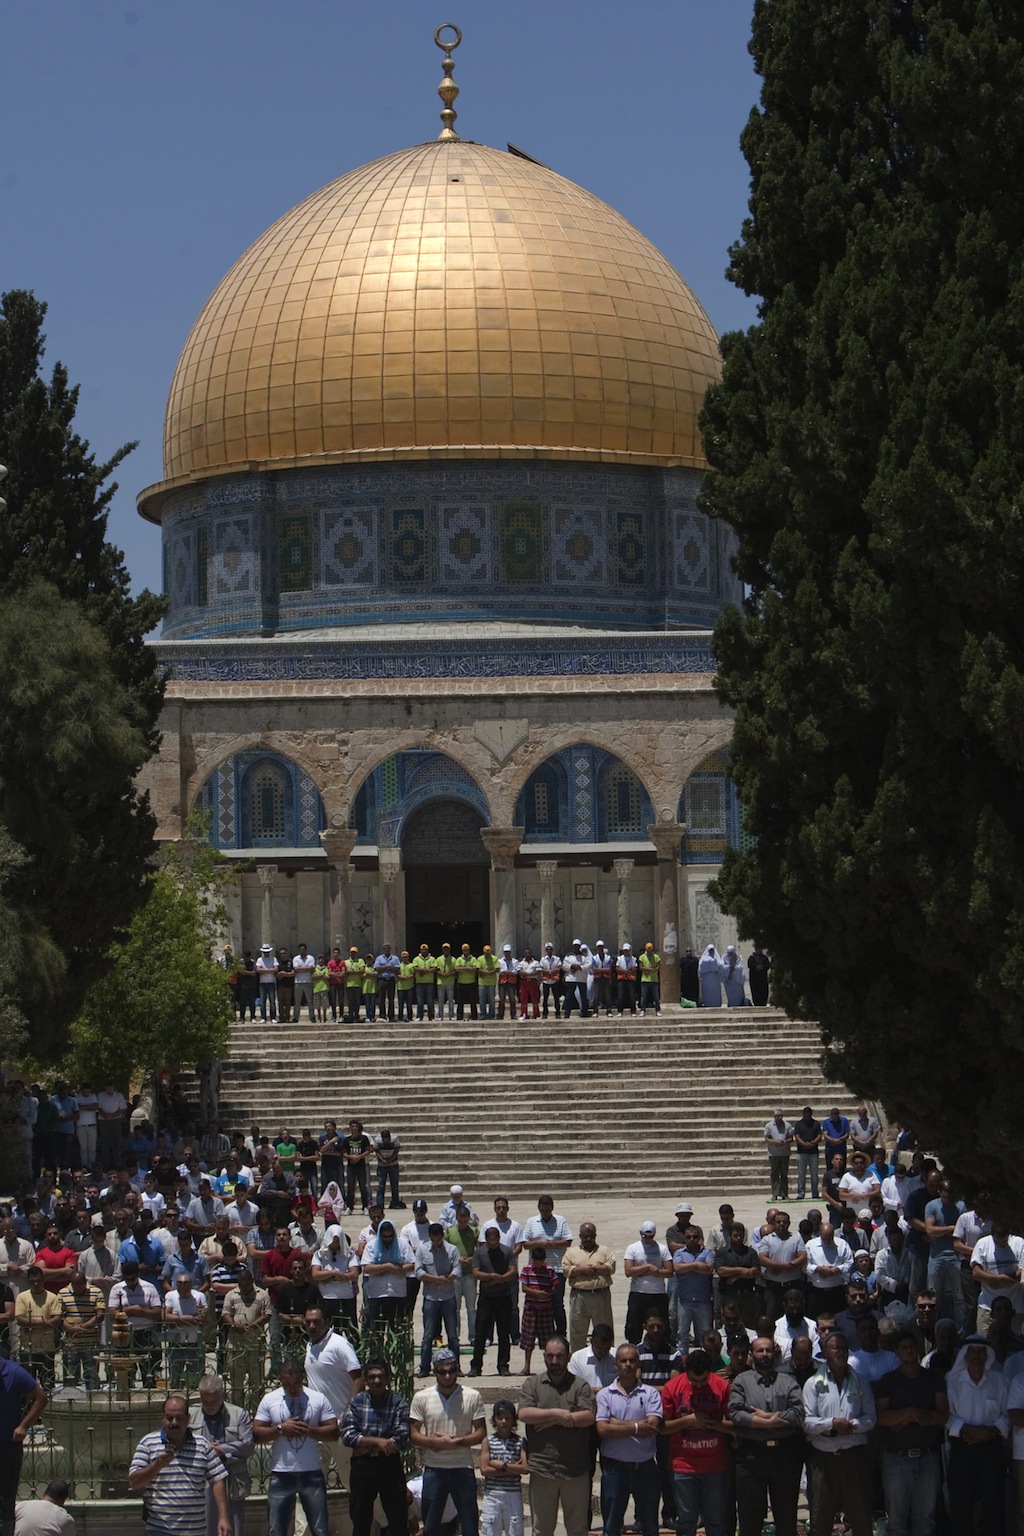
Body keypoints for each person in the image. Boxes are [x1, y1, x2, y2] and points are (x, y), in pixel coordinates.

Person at [517, 1335, 596, 1536]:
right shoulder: (532, 1384)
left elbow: (588, 1416)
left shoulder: (580, 1386)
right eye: (550, 1356)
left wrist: (552, 1420)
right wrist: (558, 1414)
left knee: (578, 1529)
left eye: (559, 1356)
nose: (554, 1362)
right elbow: (524, 1413)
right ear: (544, 1356)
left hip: (575, 1469)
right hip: (542, 1469)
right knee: (542, 1530)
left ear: (568, 1357)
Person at [727, 1334, 804, 1536]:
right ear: (751, 1354)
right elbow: (735, 1413)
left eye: (768, 1350)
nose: (764, 1354)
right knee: (750, 1519)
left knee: (786, 1517)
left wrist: (769, 1418)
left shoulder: (788, 1381)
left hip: (784, 1456)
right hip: (752, 1457)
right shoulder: (741, 1381)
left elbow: (798, 1413)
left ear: (775, 1353)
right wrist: (766, 1422)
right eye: (759, 1350)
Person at [253, 1356, 339, 1536]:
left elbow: (333, 1431)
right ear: (280, 1379)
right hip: (281, 1473)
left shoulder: (317, 1398)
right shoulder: (270, 1399)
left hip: (312, 1472)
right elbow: (256, 1434)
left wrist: (308, 1431)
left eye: (296, 1383)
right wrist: (280, 1429)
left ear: (303, 1378)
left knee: (320, 1528)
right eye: (287, 1384)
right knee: (276, 1529)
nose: (292, 1388)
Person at [874, 1328, 947, 1536]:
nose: (909, 1350)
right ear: (896, 1351)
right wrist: (912, 1412)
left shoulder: (933, 1379)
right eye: (904, 1347)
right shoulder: (888, 1381)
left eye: (912, 1347)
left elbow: (942, 1416)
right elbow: (881, 1418)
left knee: (926, 1520)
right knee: (896, 1522)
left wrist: (903, 1418)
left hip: (928, 1457)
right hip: (896, 1459)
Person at [802, 1330, 876, 1536]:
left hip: (855, 1457)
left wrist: (851, 1425)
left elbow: (871, 1418)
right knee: (821, 1517)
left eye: (844, 1348)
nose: (840, 1352)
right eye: (835, 1348)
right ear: (825, 1352)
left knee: (861, 1517)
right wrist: (832, 1424)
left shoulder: (861, 1381)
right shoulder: (813, 1383)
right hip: (823, 1459)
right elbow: (807, 1422)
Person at [128, 1394, 232, 1536]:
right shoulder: (148, 1443)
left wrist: (224, 1518)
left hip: (195, 1530)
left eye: (179, 1418)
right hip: (160, 1529)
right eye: (169, 1418)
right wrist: (156, 1466)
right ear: (162, 1418)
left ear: (188, 1419)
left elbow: (218, 1480)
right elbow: (134, 1482)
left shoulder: (202, 1445)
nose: (174, 1423)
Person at [409, 1348, 486, 1536]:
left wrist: (459, 1441)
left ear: (457, 1369)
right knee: (431, 1526)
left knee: (469, 1526)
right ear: (434, 1371)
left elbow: (481, 1432)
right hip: (434, 1468)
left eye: (451, 1370)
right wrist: (435, 1443)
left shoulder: (472, 1396)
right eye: (442, 1371)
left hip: (463, 1466)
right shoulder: (422, 1397)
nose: (447, 1375)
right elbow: (412, 1433)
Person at [659, 1346, 731, 1536]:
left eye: (703, 1380)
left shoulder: (722, 1387)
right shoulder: (672, 1387)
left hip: (714, 1466)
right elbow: (662, 1428)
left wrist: (711, 1424)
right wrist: (688, 1421)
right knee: (687, 1519)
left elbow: (734, 1426)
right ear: (686, 1372)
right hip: (683, 1466)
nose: (698, 1385)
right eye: (694, 1381)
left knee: (715, 1520)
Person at [302, 1307, 362, 1533]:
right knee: (309, 1483)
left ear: (327, 1321)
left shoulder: (339, 1345)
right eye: (308, 1322)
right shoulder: (309, 1346)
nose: (311, 1326)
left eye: (316, 1322)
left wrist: (348, 1413)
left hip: (340, 1426)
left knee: (351, 1482)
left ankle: (386, 1522)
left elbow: (358, 1378)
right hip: (317, 1428)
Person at [595, 1342, 664, 1536]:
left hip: (645, 1468)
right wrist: (635, 1427)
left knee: (650, 1527)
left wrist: (616, 1423)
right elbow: (602, 1429)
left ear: (638, 1364)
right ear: (616, 1364)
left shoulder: (650, 1393)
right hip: (615, 1470)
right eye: (623, 1361)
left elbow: (651, 1426)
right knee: (611, 1527)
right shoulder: (604, 1395)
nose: (628, 1365)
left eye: (632, 1360)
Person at [944, 1334, 1008, 1536]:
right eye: (972, 1351)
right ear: (964, 1355)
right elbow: (947, 1415)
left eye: (981, 1352)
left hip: (992, 1448)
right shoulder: (952, 1382)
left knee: (994, 1504)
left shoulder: (999, 1380)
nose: (977, 1356)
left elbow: (1007, 1414)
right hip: (963, 1447)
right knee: (961, 1506)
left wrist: (989, 1431)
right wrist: (969, 1430)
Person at [341, 1357, 410, 1536]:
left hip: (389, 1465)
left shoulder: (398, 1403)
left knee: (397, 1519)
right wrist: (378, 1442)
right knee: (360, 1518)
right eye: (371, 1377)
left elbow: (401, 1438)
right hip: (363, 1467)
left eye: (380, 1376)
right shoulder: (356, 1403)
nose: (376, 1381)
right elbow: (348, 1435)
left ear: (387, 1379)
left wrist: (364, 1443)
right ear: (365, 1380)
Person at [188, 1375, 255, 1536]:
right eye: (206, 1402)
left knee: (232, 1527)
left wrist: (223, 1451)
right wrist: (206, 1450)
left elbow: (248, 1445)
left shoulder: (239, 1414)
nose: (210, 1406)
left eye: (214, 1401)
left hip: (231, 1482)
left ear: (222, 1395)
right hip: (201, 1481)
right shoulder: (190, 1414)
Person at [0, 1356, 46, 1536]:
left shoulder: (13, 1371)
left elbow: (40, 1398)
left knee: (6, 1496)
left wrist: (23, 1426)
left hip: (7, 1445)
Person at [471, 1227, 518, 1379]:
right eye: (490, 1243)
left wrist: (501, 1279)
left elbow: (513, 1270)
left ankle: (503, 1365)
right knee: (481, 1333)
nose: (493, 1245)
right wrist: (490, 1277)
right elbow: (476, 1272)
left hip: (503, 1296)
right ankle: (476, 1366)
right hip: (486, 1297)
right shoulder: (480, 1252)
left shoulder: (507, 1251)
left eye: (495, 1242)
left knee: (504, 1334)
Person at [415, 1225, 461, 1377]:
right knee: (428, 1335)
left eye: (438, 1239)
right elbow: (419, 1271)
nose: (436, 1243)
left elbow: (457, 1270)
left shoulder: (452, 1249)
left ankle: (456, 1367)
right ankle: (424, 1367)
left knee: (452, 1336)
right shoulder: (423, 1250)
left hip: (448, 1296)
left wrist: (446, 1279)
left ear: (442, 1236)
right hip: (431, 1297)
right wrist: (436, 1279)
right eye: (433, 1240)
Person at [562, 1222, 615, 1351]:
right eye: (585, 1237)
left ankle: (606, 1359)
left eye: (591, 1236)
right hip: (580, 1296)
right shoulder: (571, 1252)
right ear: (580, 1236)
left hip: (601, 1295)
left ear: (595, 1235)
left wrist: (596, 1268)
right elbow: (566, 1270)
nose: (588, 1239)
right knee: (577, 1331)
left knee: (604, 1329)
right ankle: (577, 1361)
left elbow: (611, 1267)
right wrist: (582, 1270)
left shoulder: (604, 1250)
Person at [479, 1399, 527, 1536]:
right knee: (490, 1530)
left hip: (513, 1494)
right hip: (493, 1495)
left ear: (514, 1420)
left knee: (515, 1530)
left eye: (508, 1418)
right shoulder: (488, 1441)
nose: (504, 1422)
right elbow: (484, 1470)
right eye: (500, 1418)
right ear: (494, 1420)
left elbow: (525, 1468)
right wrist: (512, 1469)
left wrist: (501, 1465)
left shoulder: (520, 1442)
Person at [763, 1111, 795, 1201]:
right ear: (774, 1116)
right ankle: (775, 1194)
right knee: (775, 1174)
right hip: (773, 1153)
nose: (779, 1118)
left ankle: (785, 1194)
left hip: (784, 1153)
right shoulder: (769, 1125)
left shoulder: (787, 1125)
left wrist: (785, 1142)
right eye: (777, 1116)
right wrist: (774, 1142)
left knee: (784, 1174)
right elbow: (767, 1138)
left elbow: (791, 1138)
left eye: (780, 1116)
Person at [372, 1131, 403, 1210]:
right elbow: (376, 1151)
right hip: (382, 1165)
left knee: (394, 1185)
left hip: (393, 1164)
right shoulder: (377, 1139)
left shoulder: (395, 1139)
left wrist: (391, 1159)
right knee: (381, 1185)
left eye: (387, 1139)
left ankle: (395, 1203)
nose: (386, 1141)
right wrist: (382, 1160)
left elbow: (396, 1150)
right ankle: (380, 1204)